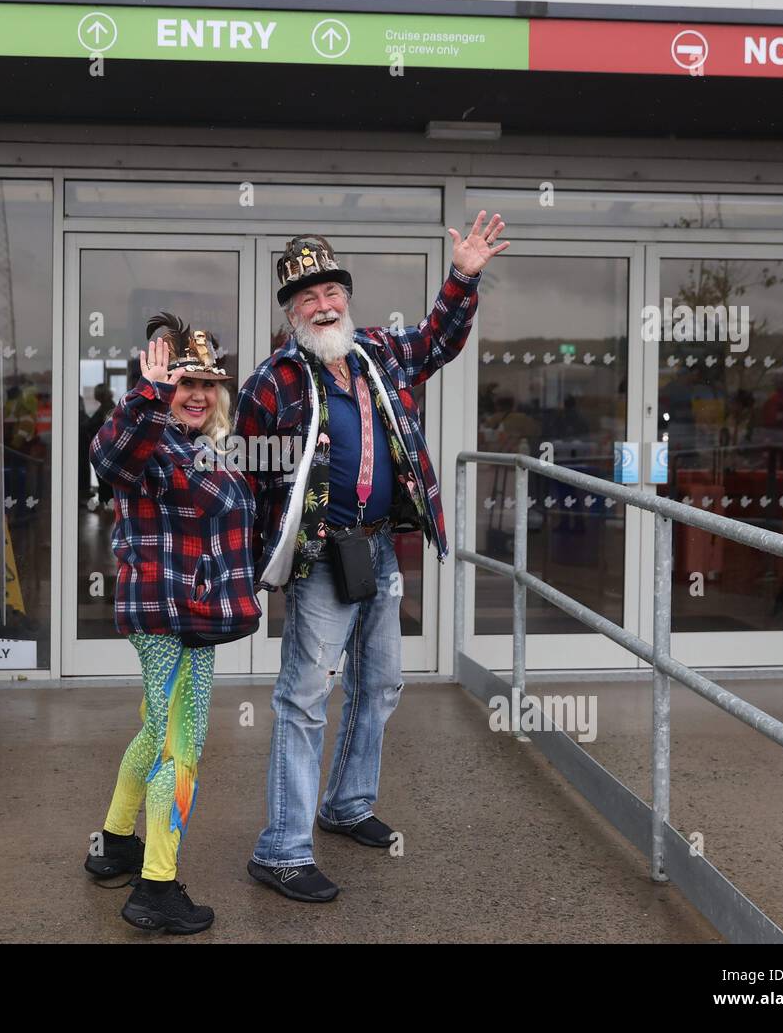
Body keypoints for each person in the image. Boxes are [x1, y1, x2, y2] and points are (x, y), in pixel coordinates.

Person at [234, 215, 507, 902]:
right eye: (309, 297)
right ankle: (282, 848)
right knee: (304, 699)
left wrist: (464, 274)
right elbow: (244, 477)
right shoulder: (273, 382)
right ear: (292, 311)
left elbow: (439, 337)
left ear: (345, 299)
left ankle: (346, 803)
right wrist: (252, 563)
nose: (324, 305)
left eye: (332, 291)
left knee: (381, 684)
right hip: (321, 555)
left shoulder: (380, 354)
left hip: (381, 545)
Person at [84, 314, 260, 934]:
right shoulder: (150, 441)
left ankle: (113, 845)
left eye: (207, 383)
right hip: (172, 619)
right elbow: (107, 453)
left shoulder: (195, 447)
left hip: (181, 616)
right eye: (186, 381)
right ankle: (156, 889)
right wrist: (150, 392)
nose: (197, 393)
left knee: (154, 732)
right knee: (178, 750)